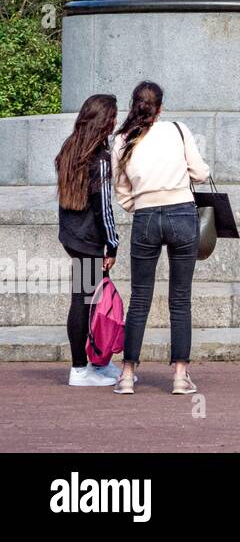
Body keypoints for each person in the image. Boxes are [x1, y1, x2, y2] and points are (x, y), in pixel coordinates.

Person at [112, 81, 210, 396]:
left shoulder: (122, 140)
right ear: (161, 108)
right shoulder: (178, 130)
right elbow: (200, 173)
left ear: (134, 105)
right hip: (182, 214)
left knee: (140, 298)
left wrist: (138, 204)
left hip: (146, 218)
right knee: (180, 299)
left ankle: (127, 374)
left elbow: (121, 189)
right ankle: (180, 376)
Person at [55, 94, 122, 387]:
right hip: (89, 240)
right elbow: (103, 206)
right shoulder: (100, 160)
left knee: (87, 301)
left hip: (72, 236)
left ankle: (94, 363)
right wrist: (113, 243)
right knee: (85, 302)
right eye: (114, 116)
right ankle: (81, 369)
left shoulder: (69, 149)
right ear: (104, 121)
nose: (116, 121)